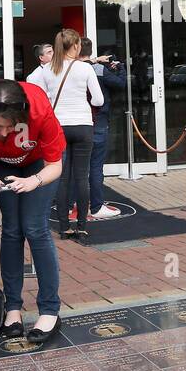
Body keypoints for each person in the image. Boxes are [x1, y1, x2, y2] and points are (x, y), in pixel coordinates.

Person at [0, 79, 65, 345]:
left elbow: (56, 165)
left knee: (35, 228)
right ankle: (13, 308)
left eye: (11, 126)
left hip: (39, 165)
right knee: (12, 230)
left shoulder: (39, 110)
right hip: (1, 164)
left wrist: (34, 181)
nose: (5, 133)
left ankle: (50, 309)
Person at [26, 28, 102, 238]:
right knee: (81, 177)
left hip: (58, 126)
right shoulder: (85, 69)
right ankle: (82, 226)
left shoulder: (47, 69)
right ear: (76, 45)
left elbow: (38, 95)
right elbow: (99, 100)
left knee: (60, 177)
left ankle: (63, 227)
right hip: (83, 125)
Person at [80, 37, 126, 221]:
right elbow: (120, 84)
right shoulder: (98, 69)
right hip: (98, 121)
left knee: (76, 167)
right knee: (96, 167)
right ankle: (97, 206)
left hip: (77, 123)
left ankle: (72, 204)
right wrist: (119, 67)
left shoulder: (68, 69)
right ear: (91, 51)